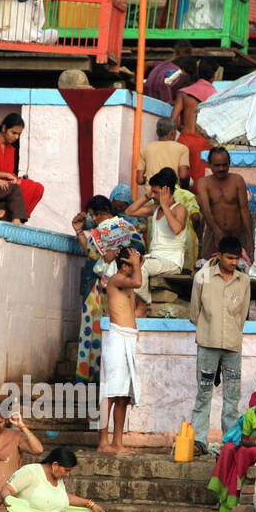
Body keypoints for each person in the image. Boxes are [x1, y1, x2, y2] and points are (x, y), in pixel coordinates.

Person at [72, 195, 144, 385]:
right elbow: (140, 247)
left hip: (98, 290)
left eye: (91, 216)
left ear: (95, 216)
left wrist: (81, 233)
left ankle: (89, 377)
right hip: (123, 285)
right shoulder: (128, 227)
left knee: (92, 330)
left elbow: (91, 256)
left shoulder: (98, 233)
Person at [189, 236, 251, 444]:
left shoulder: (244, 281)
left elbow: (242, 315)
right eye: (230, 258)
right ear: (220, 256)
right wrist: (209, 329)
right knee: (204, 393)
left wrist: (232, 332)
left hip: (233, 346)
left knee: (233, 397)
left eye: (236, 259)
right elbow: (194, 313)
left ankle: (230, 442)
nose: (234, 263)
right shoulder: (202, 277)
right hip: (207, 344)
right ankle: (198, 439)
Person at [206, 373, 256, 512]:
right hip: (254, 446)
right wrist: (253, 441)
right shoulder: (252, 412)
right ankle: (223, 492)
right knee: (230, 448)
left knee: (243, 452)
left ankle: (229, 496)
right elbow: (244, 438)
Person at [97, 247, 145, 453]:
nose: (135, 266)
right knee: (109, 393)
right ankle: (103, 443)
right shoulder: (116, 279)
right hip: (116, 340)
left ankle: (117, 443)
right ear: (124, 264)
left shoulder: (129, 286)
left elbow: (133, 310)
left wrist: (135, 330)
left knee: (123, 395)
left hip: (129, 339)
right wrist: (136, 265)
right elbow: (138, 281)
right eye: (132, 263)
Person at [124, 168, 189, 296]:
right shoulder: (155, 208)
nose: (153, 195)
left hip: (172, 261)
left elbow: (176, 229)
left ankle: (141, 307)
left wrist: (165, 205)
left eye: (156, 192)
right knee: (126, 261)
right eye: (152, 192)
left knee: (141, 267)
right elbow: (129, 212)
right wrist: (148, 196)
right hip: (154, 257)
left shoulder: (179, 209)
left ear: (167, 191)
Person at [0, 400, 42, 512]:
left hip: (9, 501)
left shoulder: (15, 437)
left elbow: (38, 449)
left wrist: (21, 425)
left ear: (6, 420)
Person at [194, 147, 253, 256]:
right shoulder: (204, 183)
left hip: (237, 235)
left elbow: (245, 210)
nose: (221, 168)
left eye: (224, 165)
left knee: (240, 268)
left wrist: (250, 239)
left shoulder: (237, 180)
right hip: (213, 234)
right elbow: (206, 210)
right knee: (209, 268)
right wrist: (217, 231)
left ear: (229, 163)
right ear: (210, 164)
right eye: (217, 165)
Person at [0, 113, 42, 220]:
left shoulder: (11, 149)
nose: (16, 137)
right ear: (4, 128)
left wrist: (11, 177)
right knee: (27, 186)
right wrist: (6, 175)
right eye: (13, 133)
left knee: (37, 188)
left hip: (6, 182)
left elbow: (9, 174)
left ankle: (20, 216)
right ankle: (17, 217)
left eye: (19, 134)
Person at [172, 59, 218, 182]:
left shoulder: (184, 93)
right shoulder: (215, 95)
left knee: (181, 181)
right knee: (200, 181)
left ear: (198, 72)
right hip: (203, 142)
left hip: (184, 139)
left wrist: (180, 127)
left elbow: (173, 118)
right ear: (214, 75)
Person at [136, 117, 191, 187]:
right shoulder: (182, 149)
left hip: (152, 194)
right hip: (172, 194)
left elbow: (139, 180)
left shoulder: (145, 149)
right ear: (172, 132)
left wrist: (151, 179)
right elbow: (183, 176)